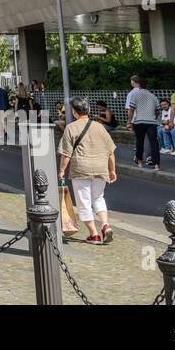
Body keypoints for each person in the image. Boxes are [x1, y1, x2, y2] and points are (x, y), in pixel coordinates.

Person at [58, 98, 118, 244]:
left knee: (84, 202)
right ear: (89, 110)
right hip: (100, 168)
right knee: (98, 198)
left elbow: (66, 154)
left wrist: (62, 170)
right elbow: (111, 152)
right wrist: (112, 170)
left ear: (74, 111)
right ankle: (105, 224)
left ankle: (94, 234)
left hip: (81, 169)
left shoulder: (71, 128)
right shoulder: (99, 127)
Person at [125, 75, 161, 170]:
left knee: (139, 142)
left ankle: (140, 161)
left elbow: (131, 109)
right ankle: (156, 164)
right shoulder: (153, 96)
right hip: (151, 122)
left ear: (139, 84)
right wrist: (154, 117)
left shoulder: (134, 95)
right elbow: (157, 111)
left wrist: (129, 122)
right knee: (154, 142)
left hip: (139, 121)